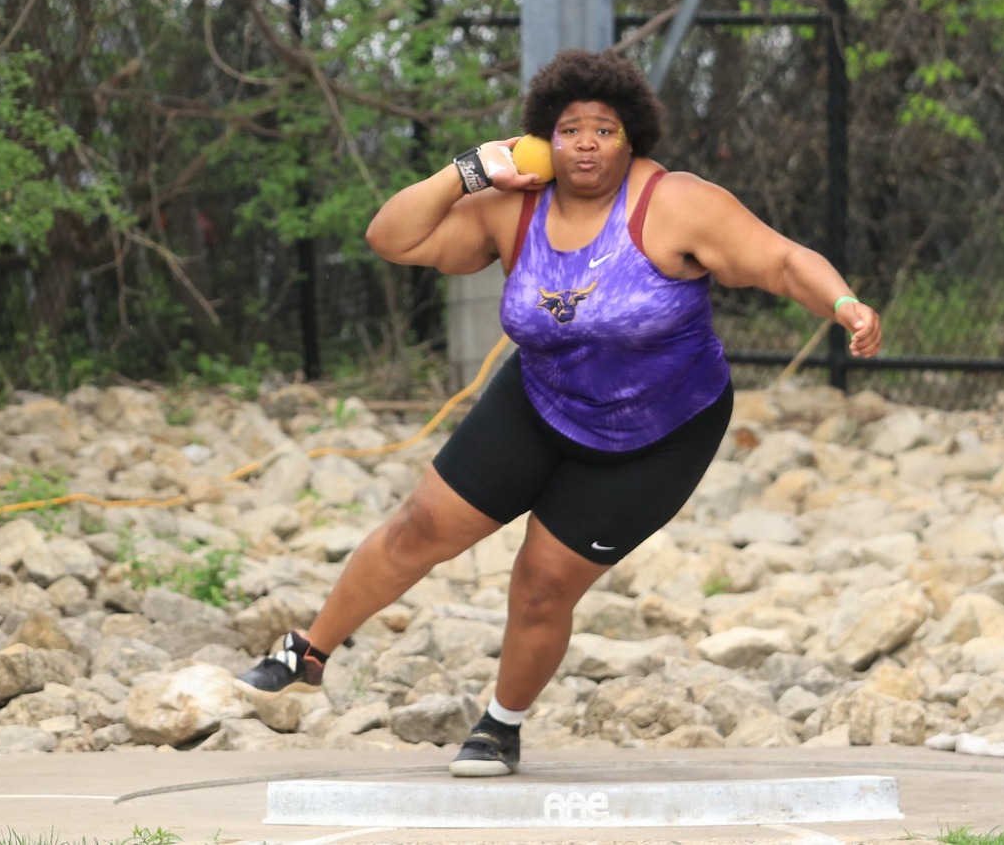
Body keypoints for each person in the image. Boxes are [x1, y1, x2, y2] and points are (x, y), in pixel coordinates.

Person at [238, 48, 881, 776]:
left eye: (604, 130)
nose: (586, 145)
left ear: (630, 138)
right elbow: (392, 237)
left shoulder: (676, 205)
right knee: (421, 525)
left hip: (657, 431)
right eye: (569, 130)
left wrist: (843, 303)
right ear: (544, 139)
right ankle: (308, 651)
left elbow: (782, 260)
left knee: (542, 582)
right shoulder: (514, 205)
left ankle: (500, 726)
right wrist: (469, 170)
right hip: (540, 398)